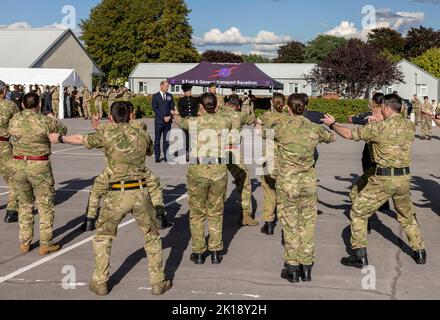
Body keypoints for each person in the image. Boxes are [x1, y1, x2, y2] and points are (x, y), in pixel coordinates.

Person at [49, 101, 172, 296]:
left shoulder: (107, 134)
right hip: (140, 191)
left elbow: (81, 139)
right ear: (131, 115)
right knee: (152, 237)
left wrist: (60, 138)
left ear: (112, 117)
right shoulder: (141, 134)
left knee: (103, 237)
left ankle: (100, 282)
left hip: (116, 193)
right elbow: (149, 151)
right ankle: (158, 282)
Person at [322, 93, 426, 268]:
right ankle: (420, 251)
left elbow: (348, 134)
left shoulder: (378, 128)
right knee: (407, 216)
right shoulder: (409, 125)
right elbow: (394, 127)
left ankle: (359, 255)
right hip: (403, 178)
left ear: (385, 108)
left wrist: (332, 124)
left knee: (357, 212)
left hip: (384, 179)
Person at [272, 94, 335, 283]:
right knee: (308, 224)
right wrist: (330, 124)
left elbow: (261, 131)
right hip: (308, 182)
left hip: (288, 182)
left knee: (290, 225)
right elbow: (331, 138)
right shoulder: (314, 128)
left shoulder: (280, 127)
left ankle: (292, 266)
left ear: (288, 108)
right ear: (305, 107)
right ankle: (306, 266)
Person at [83, 104, 173, 231]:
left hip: (113, 169)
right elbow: (148, 148)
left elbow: (97, 127)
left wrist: (95, 120)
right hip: (137, 170)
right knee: (155, 186)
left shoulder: (110, 127)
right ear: (131, 113)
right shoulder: (139, 125)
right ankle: (160, 216)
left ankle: (89, 220)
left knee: (96, 190)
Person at [175, 93, 232, 265]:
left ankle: (199, 252)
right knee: (216, 212)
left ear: (200, 106)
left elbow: (180, 121)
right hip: (218, 171)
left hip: (198, 170)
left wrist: (177, 114)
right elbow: (226, 119)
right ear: (215, 106)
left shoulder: (193, 123)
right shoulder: (224, 122)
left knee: (197, 213)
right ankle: (215, 251)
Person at [9, 92, 67, 255]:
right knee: (45, 205)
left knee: (24, 205)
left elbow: (9, 133)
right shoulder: (45, 121)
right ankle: (45, 243)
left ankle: (25, 242)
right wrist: (52, 117)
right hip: (39, 165)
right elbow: (63, 130)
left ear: (22, 105)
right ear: (39, 104)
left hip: (19, 164)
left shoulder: (15, 120)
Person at [349, 93, 391, 218]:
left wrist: (364, 120)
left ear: (373, 102)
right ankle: (384, 204)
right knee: (383, 178)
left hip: (370, 152)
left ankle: (366, 204)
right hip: (385, 152)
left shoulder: (369, 116)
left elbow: (350, 119)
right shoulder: (388, 115)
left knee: (367, 178)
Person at [220, 97, 259, 227]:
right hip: (231, 151)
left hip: (212, 151)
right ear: (237, 107)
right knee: (244, 181)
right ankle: (245, 215)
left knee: (216, 183)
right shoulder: (239, 115)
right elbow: (253, 120)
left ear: (226, 104)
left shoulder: (217, 113)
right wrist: (251, 109)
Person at [255, 93, 288, 235]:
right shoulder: (289, 118)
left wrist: (258, 122)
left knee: (269, 192)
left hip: (268, 160)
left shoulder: (266, 116)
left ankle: (268, 223)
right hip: (285, 161)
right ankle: (285, 222)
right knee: (284, 193)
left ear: (272, 103)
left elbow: (257, 132)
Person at [0, 80, 20, 223]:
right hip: (3, 145)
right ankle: (12, 211)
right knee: (13, 178)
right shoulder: (10, 105)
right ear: (4, 91)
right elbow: (19, 124)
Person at [152, 81, 175, 163]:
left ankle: (166, 156)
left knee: (166, 140)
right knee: (157, 140)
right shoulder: (155, 96)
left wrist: (170, 116)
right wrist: (163, 117)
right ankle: (157, 157)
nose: (167, 88)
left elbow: (172, 107)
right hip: (159, 121)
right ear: (161, 86)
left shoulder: (170, 96)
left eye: (168, 86)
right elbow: (155, 108)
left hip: (168, 122)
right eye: (166, 86)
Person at [177, 84, 198, 158]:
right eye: (188, 91)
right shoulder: (181, 100)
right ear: (185, 92)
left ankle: (194, 151)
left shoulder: (194, 100)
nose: (189, 92)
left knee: (194, 137)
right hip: (185, 121)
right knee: (187, 136)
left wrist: (192, 115)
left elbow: (195, 110)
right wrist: (186, 114)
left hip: (193, 120)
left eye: (190, 90)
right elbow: (181, 111)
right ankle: (187, 151)